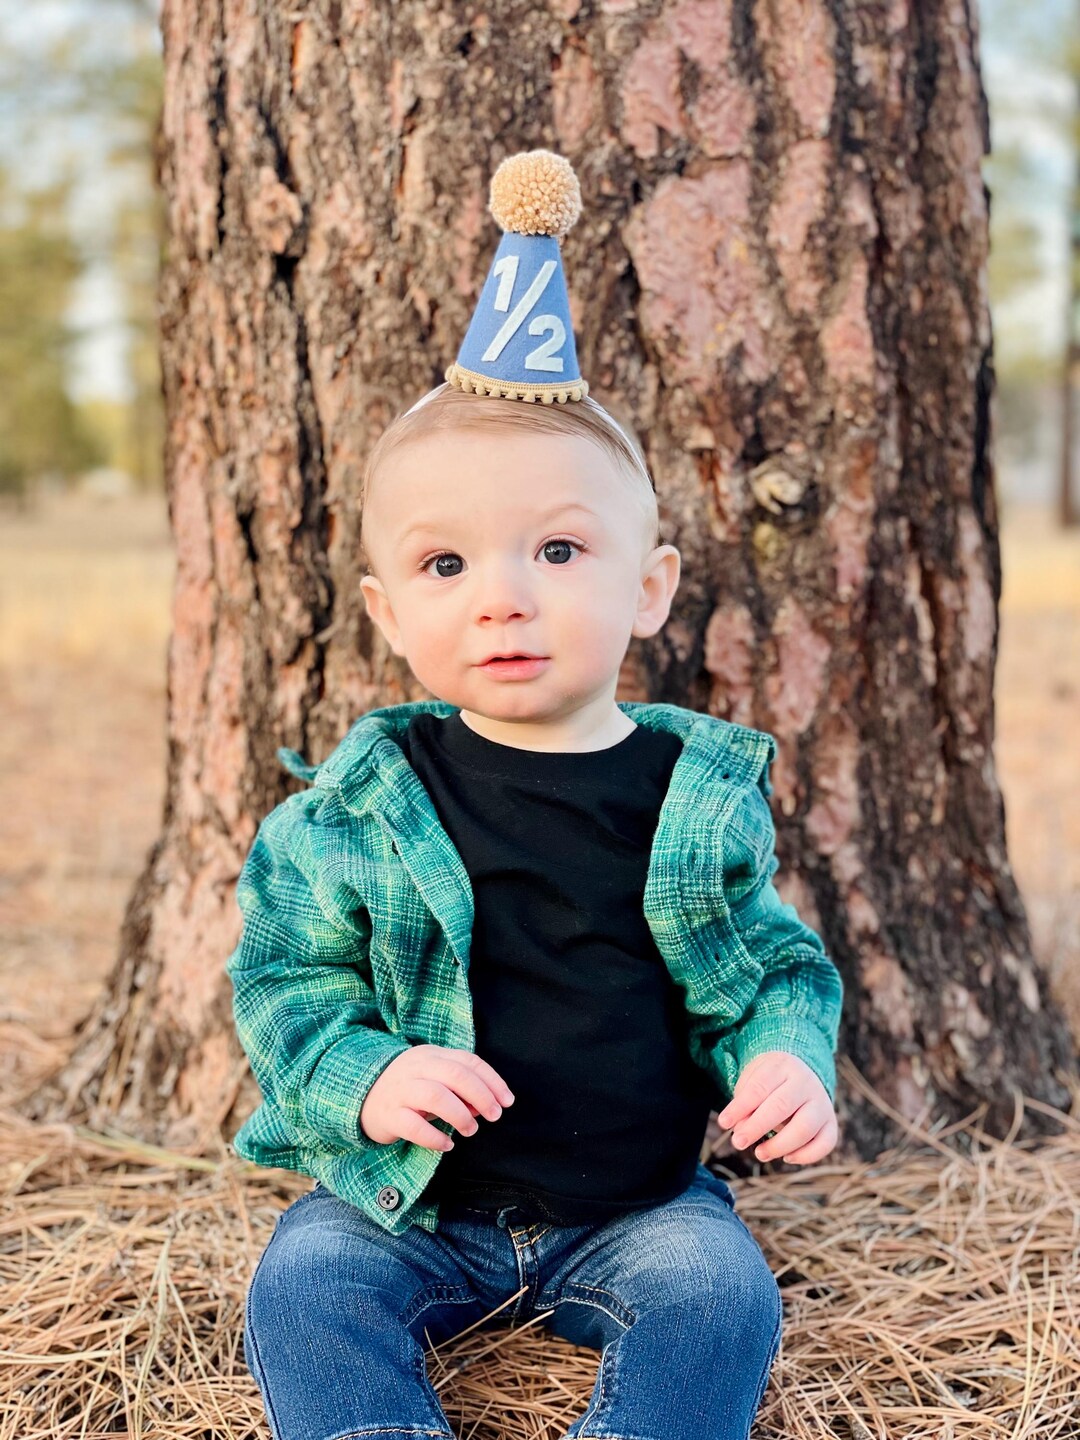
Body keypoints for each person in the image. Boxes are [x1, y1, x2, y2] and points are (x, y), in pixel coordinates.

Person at [228, 150, 843, 1440]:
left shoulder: (696, 793)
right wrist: (367, 1077)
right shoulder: (356, 806)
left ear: (651, 587)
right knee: (304, 1285)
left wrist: (787, 1056)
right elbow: (286, 989)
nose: (503, 595)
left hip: (640, 1205)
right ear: (393, 615)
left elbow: (771, 967)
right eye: (446, 563)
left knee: (720, 1299)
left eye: (559, 549)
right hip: (407, 1204)